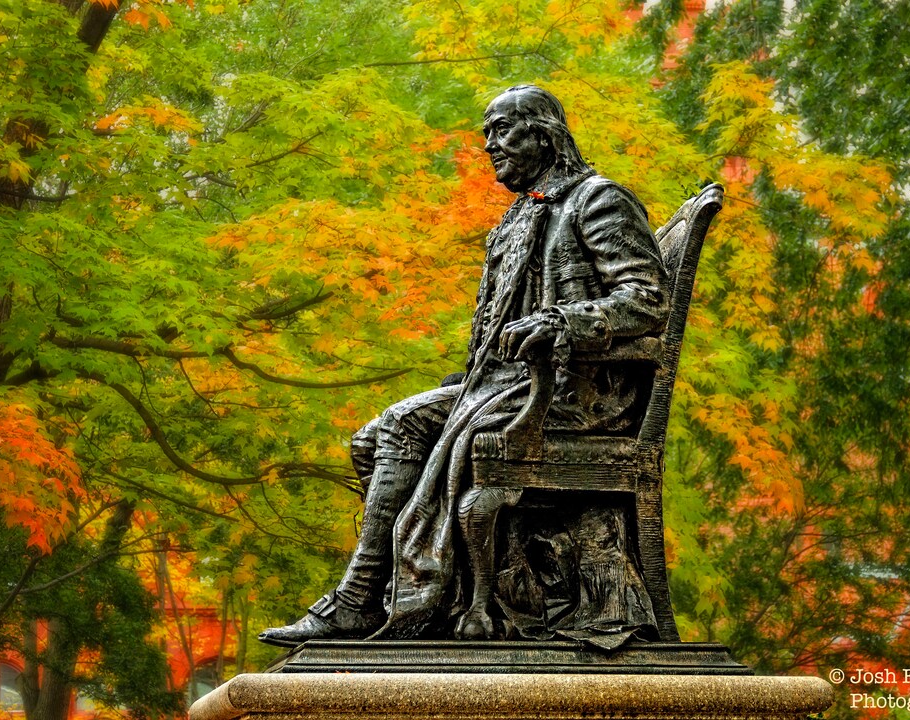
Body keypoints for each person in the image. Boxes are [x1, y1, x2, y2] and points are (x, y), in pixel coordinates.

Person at [259, 85, 670, 647]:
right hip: (507, 384)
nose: (490, 146)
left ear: (544, 134)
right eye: (487, 134)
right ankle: (430, 597)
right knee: (371, 438)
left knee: (404, 424)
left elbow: (647, 298)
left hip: (572, 393)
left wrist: (564, 322)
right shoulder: (523, 214)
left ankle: (358, 600)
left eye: (503, 130)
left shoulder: (597, 200)